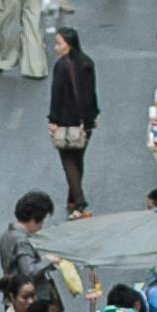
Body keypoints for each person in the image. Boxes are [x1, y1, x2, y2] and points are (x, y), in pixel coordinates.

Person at [46, 21, 98, 215]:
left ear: (69, 44)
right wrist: (92, 117)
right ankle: (72, 200)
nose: (56, 47)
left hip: (66, 121)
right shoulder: (87, 62)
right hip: (85, 121)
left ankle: (80, 201)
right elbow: (91, 92)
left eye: (59, 43)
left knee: (68, 161)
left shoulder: (61, 66)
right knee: (78, 160)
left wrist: (53, 119)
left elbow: (56, 94)